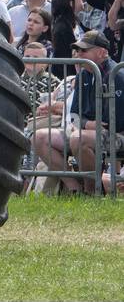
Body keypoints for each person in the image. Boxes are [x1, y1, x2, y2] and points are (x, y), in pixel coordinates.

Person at [31, 30, 124, 193]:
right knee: (39, 137)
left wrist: (86, 125)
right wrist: (88, 123)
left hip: (118, 136)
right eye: (78, 50)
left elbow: (113, 123)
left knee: (78, 138)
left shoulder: (118, 76)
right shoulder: (82, 76)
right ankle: (75, 188)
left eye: (84, 50)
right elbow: (74, 115)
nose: (79, 54)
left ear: (102, 52)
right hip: (86, 132)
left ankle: (92, 191)